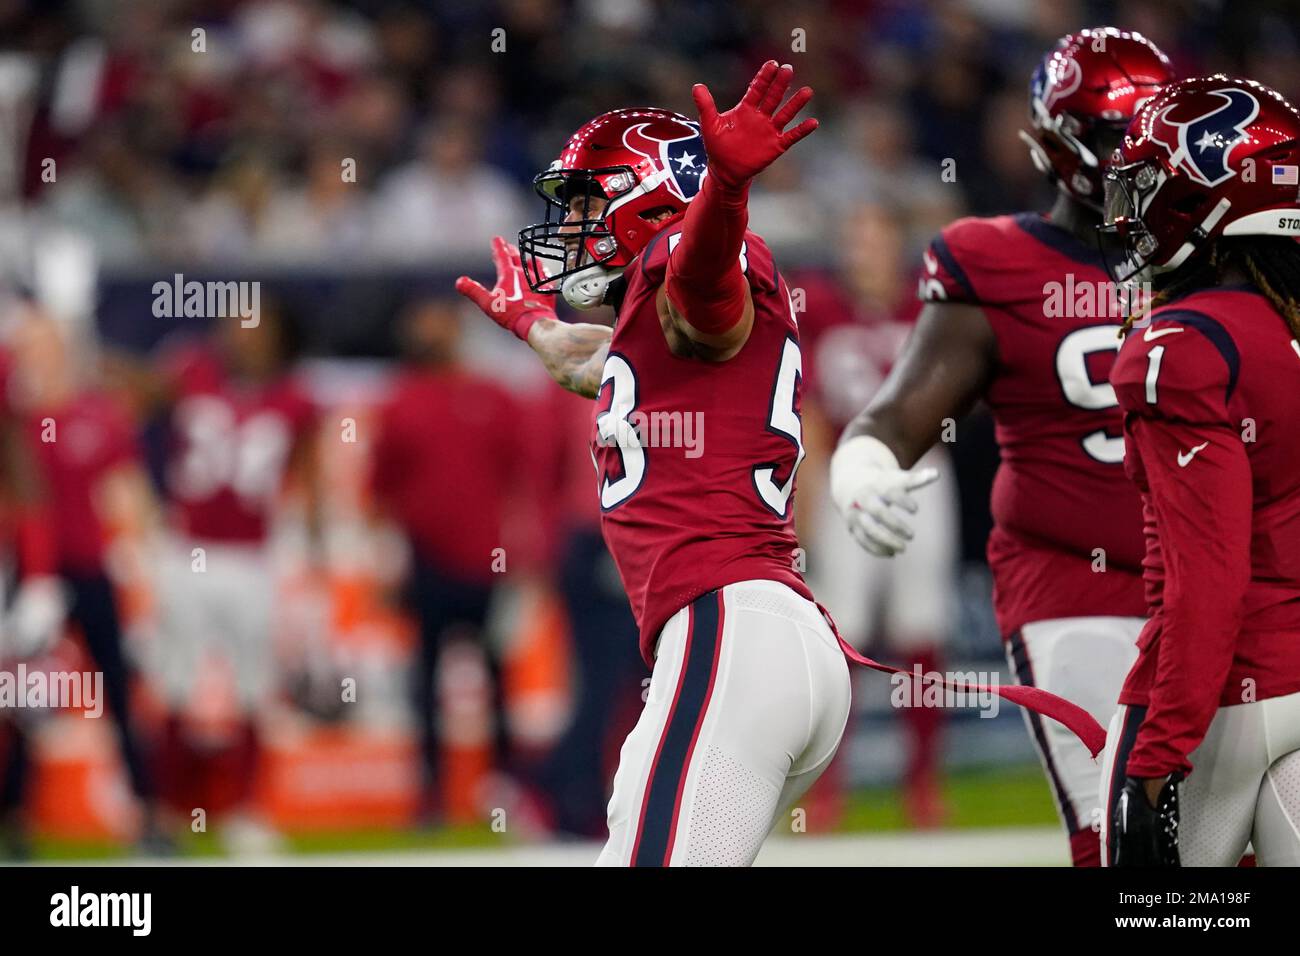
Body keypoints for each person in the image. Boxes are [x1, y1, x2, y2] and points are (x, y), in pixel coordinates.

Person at [457, 62, 852, 866]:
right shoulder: (651, 310)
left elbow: (707, 292)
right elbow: (598, 365)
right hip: (758, 636)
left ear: (649, 201)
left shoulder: (691, 258)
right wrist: (533, 325)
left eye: (586, 207)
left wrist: (727, 196)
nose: (569, 231)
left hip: (731, 631)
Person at [827, 28, 1174, 866]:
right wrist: (863, 465)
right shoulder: (993, 261)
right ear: (1054, 142)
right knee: (1124, 835)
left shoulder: (1213, 257)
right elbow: (896, 415)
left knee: (1238, 833)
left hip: (1213, 576)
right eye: (1112, 137)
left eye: (1151, 134)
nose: (1136, 158)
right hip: (1073, 584)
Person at [1099, 75, 1300, 867]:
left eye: (1149, 186)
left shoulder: (1183, 346)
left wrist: (1158, 755)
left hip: (1219, 704)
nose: (1128, 212)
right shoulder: (1276, 332)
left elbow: (1208, 580)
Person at [369, 297, 537, 822]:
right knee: (426, 680)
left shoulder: (493, 397)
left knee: (497, 676)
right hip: (427, 560)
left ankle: (505, 788)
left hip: (488, 561)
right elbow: (380, 490)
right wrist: (386, 560)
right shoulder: (400, 402)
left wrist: (523, 553)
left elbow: (523, 481)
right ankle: (431, 795)